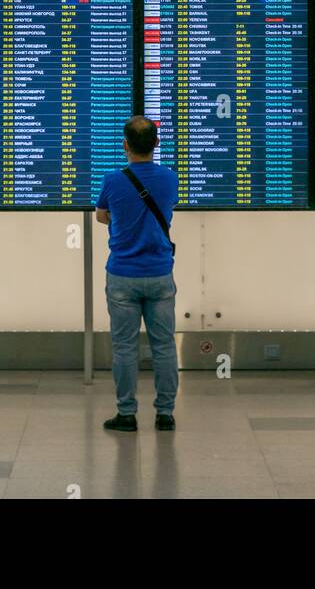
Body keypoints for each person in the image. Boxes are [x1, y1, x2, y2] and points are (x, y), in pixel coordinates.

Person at [95, 115, 179, 432]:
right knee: (165, 345)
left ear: (125, 145)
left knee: (125, 347)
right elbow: (166, 212)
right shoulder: (170, 179)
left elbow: (102, 217)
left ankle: (127, 413)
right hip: (160, 273)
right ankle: (165, 413)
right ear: (156, 144)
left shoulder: (112, 179)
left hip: (122, 275)